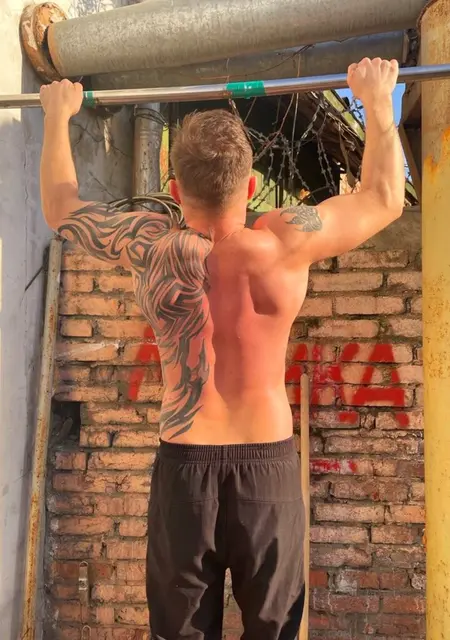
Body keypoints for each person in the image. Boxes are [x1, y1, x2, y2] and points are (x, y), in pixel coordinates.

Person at [39, 57, 404, 640]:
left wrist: (58, 114)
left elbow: (62, 209)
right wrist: (378, 100)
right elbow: (383, 198)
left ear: (174, 190)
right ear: (252, 186)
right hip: (268, 470)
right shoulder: (287, 237)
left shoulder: (147, 244)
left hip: (185, 466)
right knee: (274, 630)